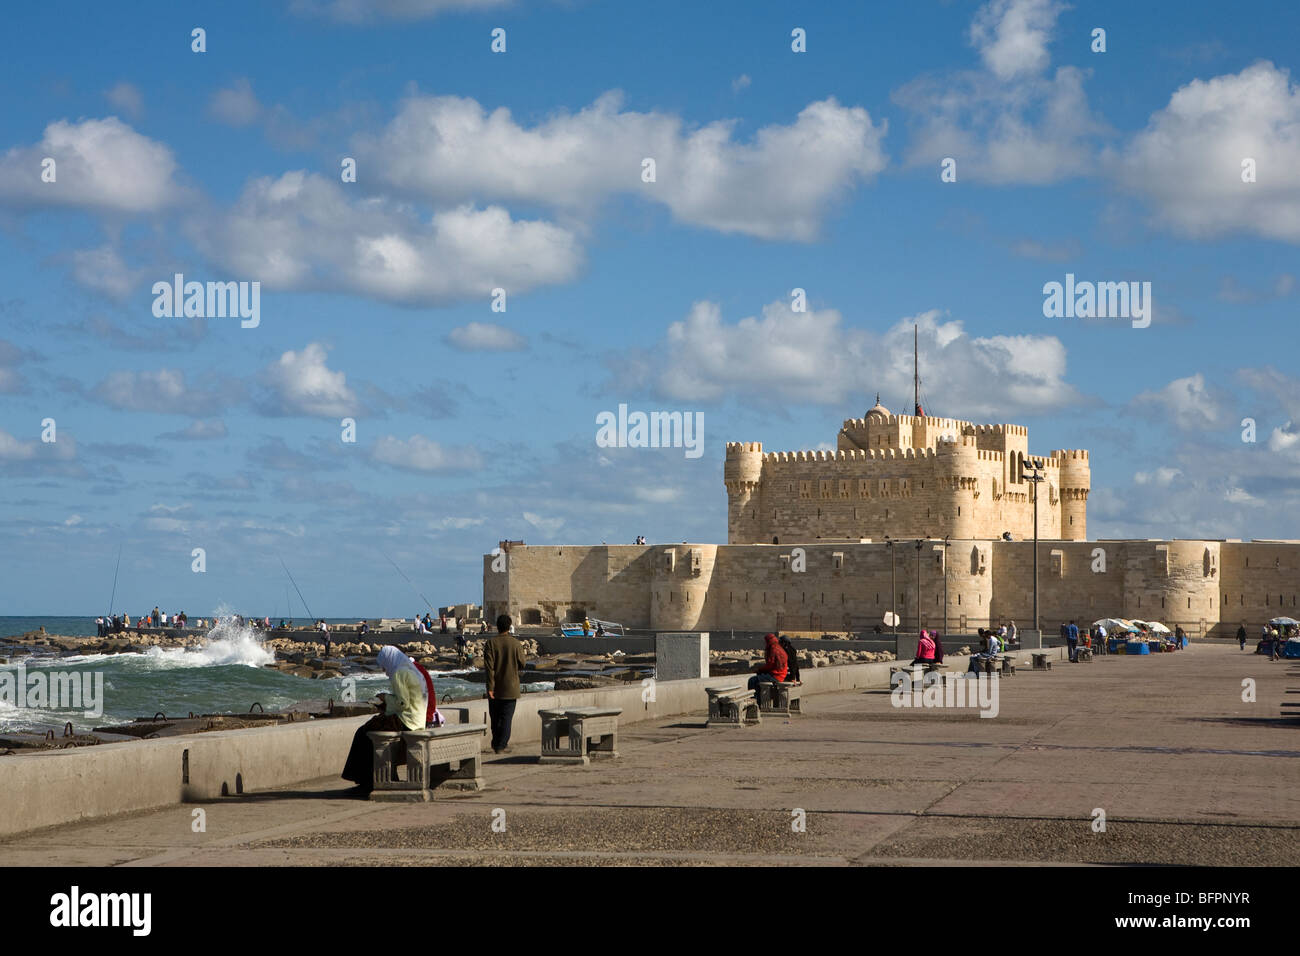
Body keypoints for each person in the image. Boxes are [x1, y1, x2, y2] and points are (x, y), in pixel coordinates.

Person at [340, 646, 429, 795]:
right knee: (368, 731)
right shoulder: (411, 669)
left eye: (384, 666)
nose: (384, 670)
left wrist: (384, 698)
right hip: (418, 720)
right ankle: (370, 779)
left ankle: (366, 782)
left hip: (406, 721)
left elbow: (402, 703)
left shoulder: (399, 673)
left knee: (364, 733)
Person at [484, 614, 526, 754]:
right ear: (509, 627)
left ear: (497, 626)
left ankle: (496, 744)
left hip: (495, 688)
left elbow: (489, 668)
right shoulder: (515, 643)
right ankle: (502, 745)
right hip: (511, 688)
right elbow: (522, 663)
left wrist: (490, 687)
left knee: (495, 718)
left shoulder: (491, 643)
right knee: (506, 718)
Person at [748, 633, 789, 697]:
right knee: (759, 679)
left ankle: (754, 700)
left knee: (752, 680)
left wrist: (759, 670)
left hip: (776, 676)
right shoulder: (779, 648)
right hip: (782, 675)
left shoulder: (773, 649)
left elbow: (770, 665)